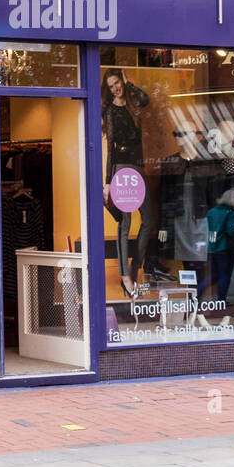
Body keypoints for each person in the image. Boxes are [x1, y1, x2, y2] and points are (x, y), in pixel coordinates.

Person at [102, 69, 153, 299]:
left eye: (117, 83)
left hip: (139, 166)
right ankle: (125, 276)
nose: (116, 88)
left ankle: (134, 269)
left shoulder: (133, 104)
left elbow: (146, 99)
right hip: (121, 168)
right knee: (125, 223)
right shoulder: (111, 110)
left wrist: (129, 82)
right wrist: (108, 182)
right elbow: (111, 145)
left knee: (149, 220)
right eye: (111, 86)